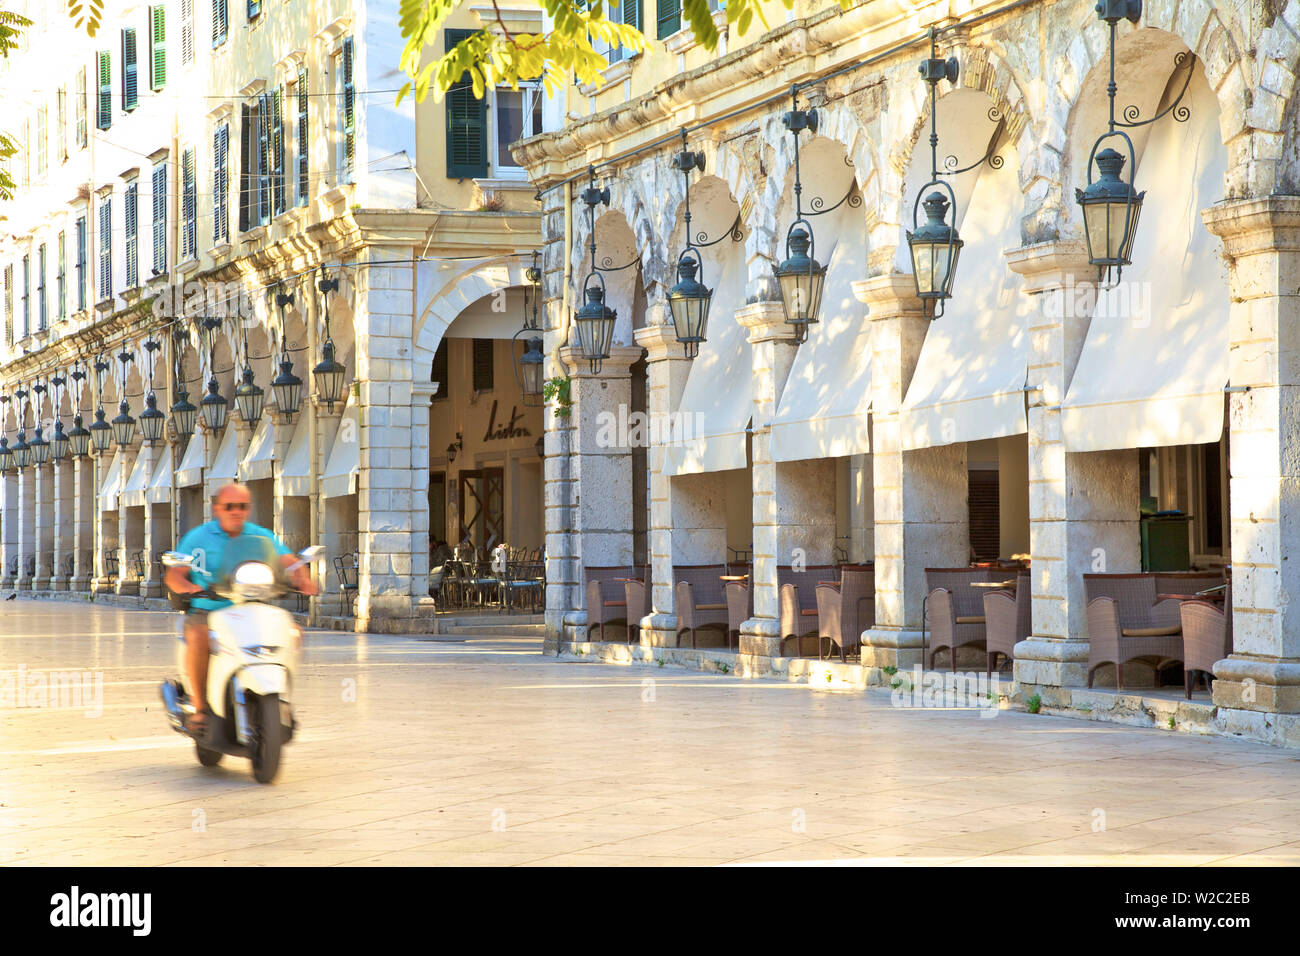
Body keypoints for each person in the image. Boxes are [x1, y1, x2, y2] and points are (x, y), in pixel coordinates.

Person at [164, 482, 317, 732]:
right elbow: (174, 575)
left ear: (249, 509)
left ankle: (282, 699)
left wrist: (302, 577)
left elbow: (289, 561)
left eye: (242, 507)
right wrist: (188, 587)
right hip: (209, 608)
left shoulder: (260, 536)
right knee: (198, 635)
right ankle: (201, 708)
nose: (236, 511)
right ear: (217, 509)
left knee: (293, 633)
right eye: (229, 507)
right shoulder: (198, 537)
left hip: (252, 607)